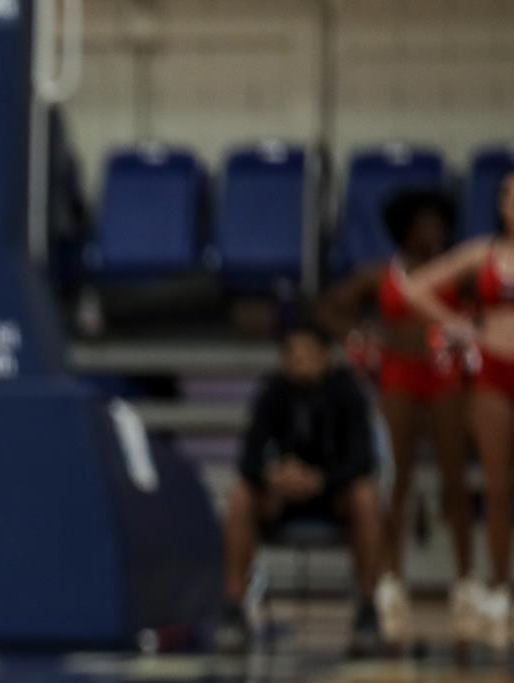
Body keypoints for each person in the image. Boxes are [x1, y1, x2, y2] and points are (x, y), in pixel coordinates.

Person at [323, 190, 474, 644]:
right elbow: (328, 306)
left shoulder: (457, 270)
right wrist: (358, 334)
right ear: (405, 230)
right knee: (398, 480)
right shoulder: (380, 274)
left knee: (454, 479)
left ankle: (467, 580)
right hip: (398, 377)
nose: (433, 232)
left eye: (439, 224)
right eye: (424, 224)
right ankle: (392, 578)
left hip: (444, 376)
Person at [217, 318, 384, 657]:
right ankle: (234, 607)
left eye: (307, 353)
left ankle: (367, 608)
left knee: (366, 497)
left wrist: (320, 480)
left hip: (332, 493)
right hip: (283, 498)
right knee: (240, 496)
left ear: (326, 356)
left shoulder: (347, 393)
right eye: (292, 354)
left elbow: (364, 461)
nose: (299, 361)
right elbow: (247, 459)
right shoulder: (273, 392)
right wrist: (274, 477)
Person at [401, 172, 514, 650]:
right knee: (497, 483)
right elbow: (413, 288)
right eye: (510, 192)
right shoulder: (482, 253)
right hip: (491, 370)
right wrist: (459, 326)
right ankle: (497, 586)